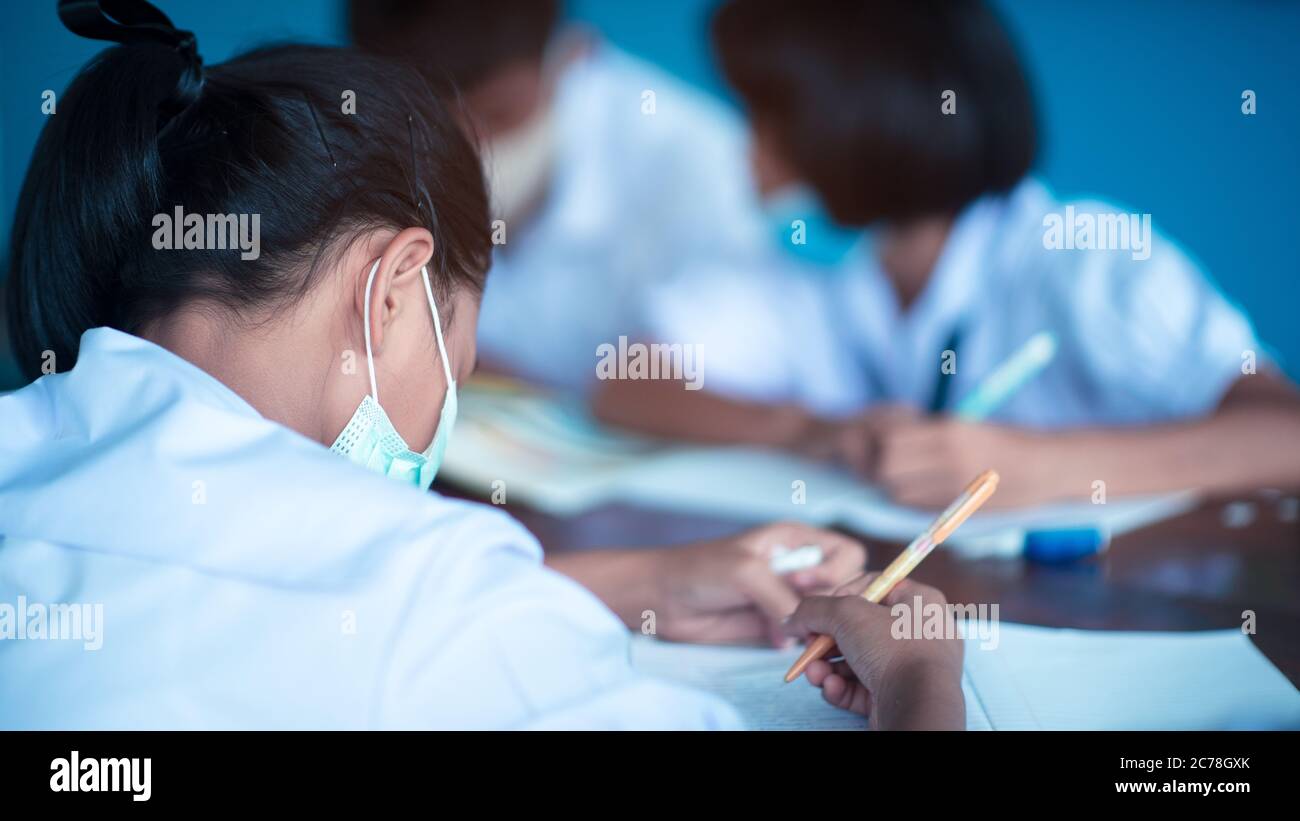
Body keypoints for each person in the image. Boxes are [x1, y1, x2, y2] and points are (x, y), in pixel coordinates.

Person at [0, 0, 869, 729]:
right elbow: (383, 603)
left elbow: (240, 584)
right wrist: (921, 678)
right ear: (391, 290)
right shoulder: (436, 599)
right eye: (461, 340)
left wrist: (622, 581)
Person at [594, 0, 1300, 509]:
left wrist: (1035, 466)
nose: (745, 143)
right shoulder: (845, 287)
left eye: (766, 115)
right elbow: (625, 380)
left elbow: (1286, 434)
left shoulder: (1083, 256)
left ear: (856, 117)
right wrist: (815, 429)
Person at [349, 0, 771, 393]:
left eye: (497, 115)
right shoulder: (358, 133)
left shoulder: (701, 162)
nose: (468, 148)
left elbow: (699, 384)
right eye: (431, 122)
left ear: (571, 55)